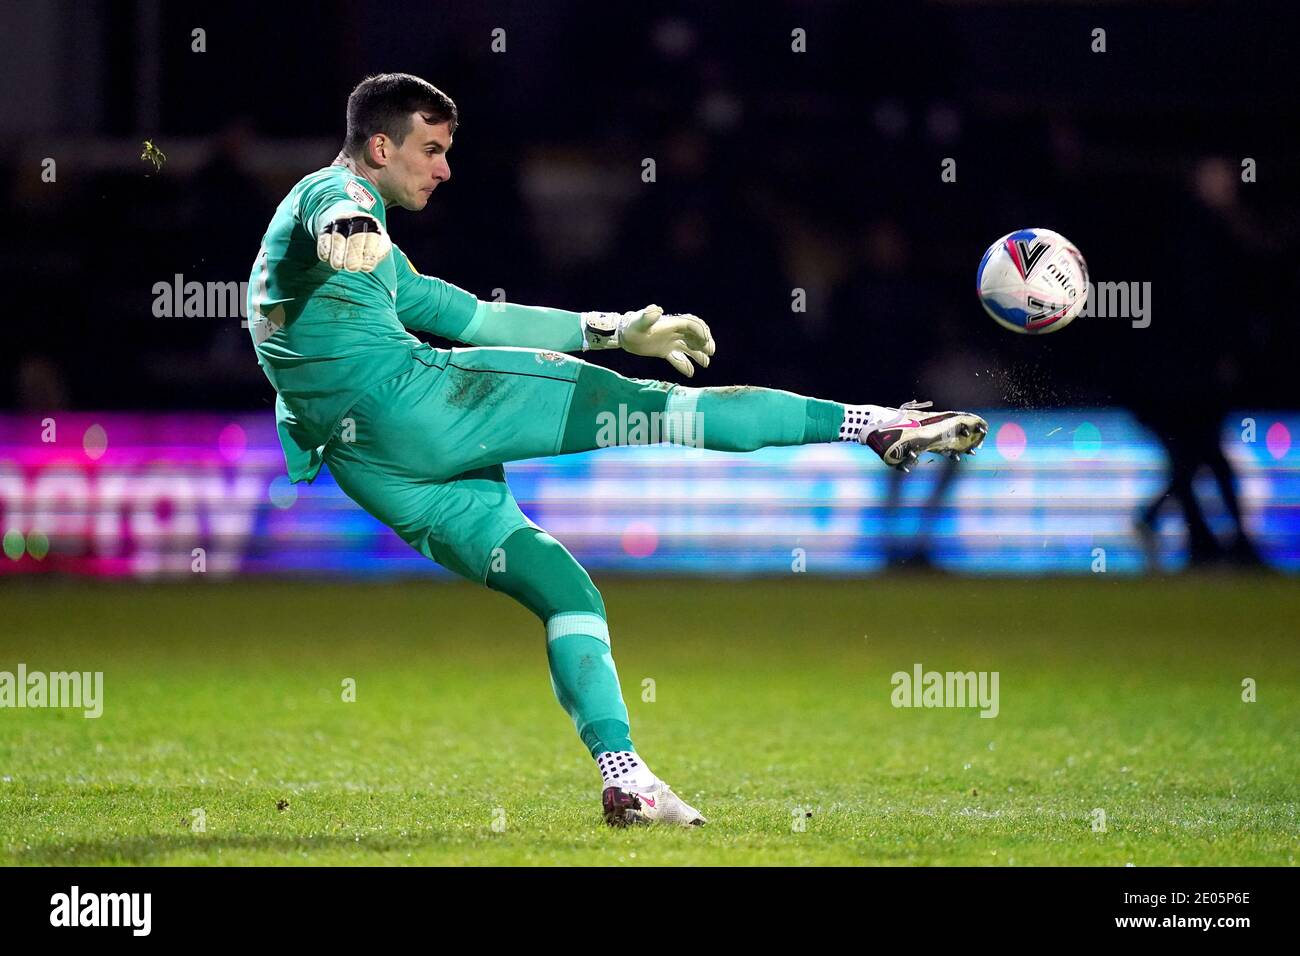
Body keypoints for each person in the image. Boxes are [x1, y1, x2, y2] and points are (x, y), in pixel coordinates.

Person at [246, 73, 988, 827]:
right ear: (380, 145)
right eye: (431, 149)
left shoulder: (376, 262)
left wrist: (618, 329)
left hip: (376, 468)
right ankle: (875, 425)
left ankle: (626, 777)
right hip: (426, 402)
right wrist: (351, 233)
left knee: (565, 592)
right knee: (672, 409)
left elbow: (470, 317)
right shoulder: (331, 195)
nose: (444, 168)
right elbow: (338, 217)